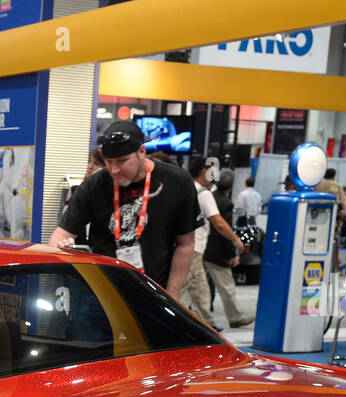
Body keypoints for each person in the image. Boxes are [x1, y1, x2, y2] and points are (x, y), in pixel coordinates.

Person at [51, 120, 200, 299]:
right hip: (101, 293)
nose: (114, 170)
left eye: (122, 161)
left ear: (142, 151)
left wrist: (172, 294)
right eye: (108, 162)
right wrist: (61, 249)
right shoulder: (95, 184)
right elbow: (60, 234)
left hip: (153, 292)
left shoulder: (177, 181)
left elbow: (185, 244)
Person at [184, 157, 248, 331]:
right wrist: (236, 239)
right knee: (195, 288)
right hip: (195, 247)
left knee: (193, 287)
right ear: (203, 172)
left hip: (182, 246)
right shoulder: (204, 194)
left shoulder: (185, 187)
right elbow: (218, 222)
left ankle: (204, 322)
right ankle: (205, 325)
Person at [202, 170, 253, 329]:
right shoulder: (225, 203)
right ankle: (235, 317)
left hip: (202, 247)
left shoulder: (209, 196)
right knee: (226, 286)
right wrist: (232, 253)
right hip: (217, 251)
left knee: (198, 286)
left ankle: (198, 318)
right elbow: (224, 230)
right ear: (231, 186)